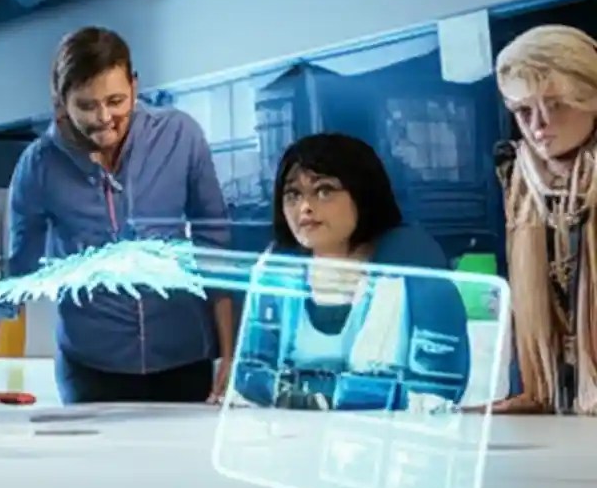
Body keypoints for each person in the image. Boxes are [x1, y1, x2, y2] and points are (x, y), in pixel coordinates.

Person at [0, 26, 236, 404]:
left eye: (116, 100)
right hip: (90, 368)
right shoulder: (39, 165)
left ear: (134, 87)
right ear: (61, 102)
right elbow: (17, 273)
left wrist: (230, 356)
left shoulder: (180, 135)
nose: (104, 117)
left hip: (184, 357)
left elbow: (215, 248)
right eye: (87, 106)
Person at [230, 133, 470, 410]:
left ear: (363, 194)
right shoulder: (278, 272)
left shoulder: (416, 270)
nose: (305, 208)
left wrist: (323, 398)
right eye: (293, 195)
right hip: (292, 433)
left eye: (324, 191)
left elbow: (438, 391)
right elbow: (251, 376)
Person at [489, 24, 597, 415]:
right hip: (562, 406)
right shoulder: (520, 181)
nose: (538, 125)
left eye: (557, 105)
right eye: (524, 110)